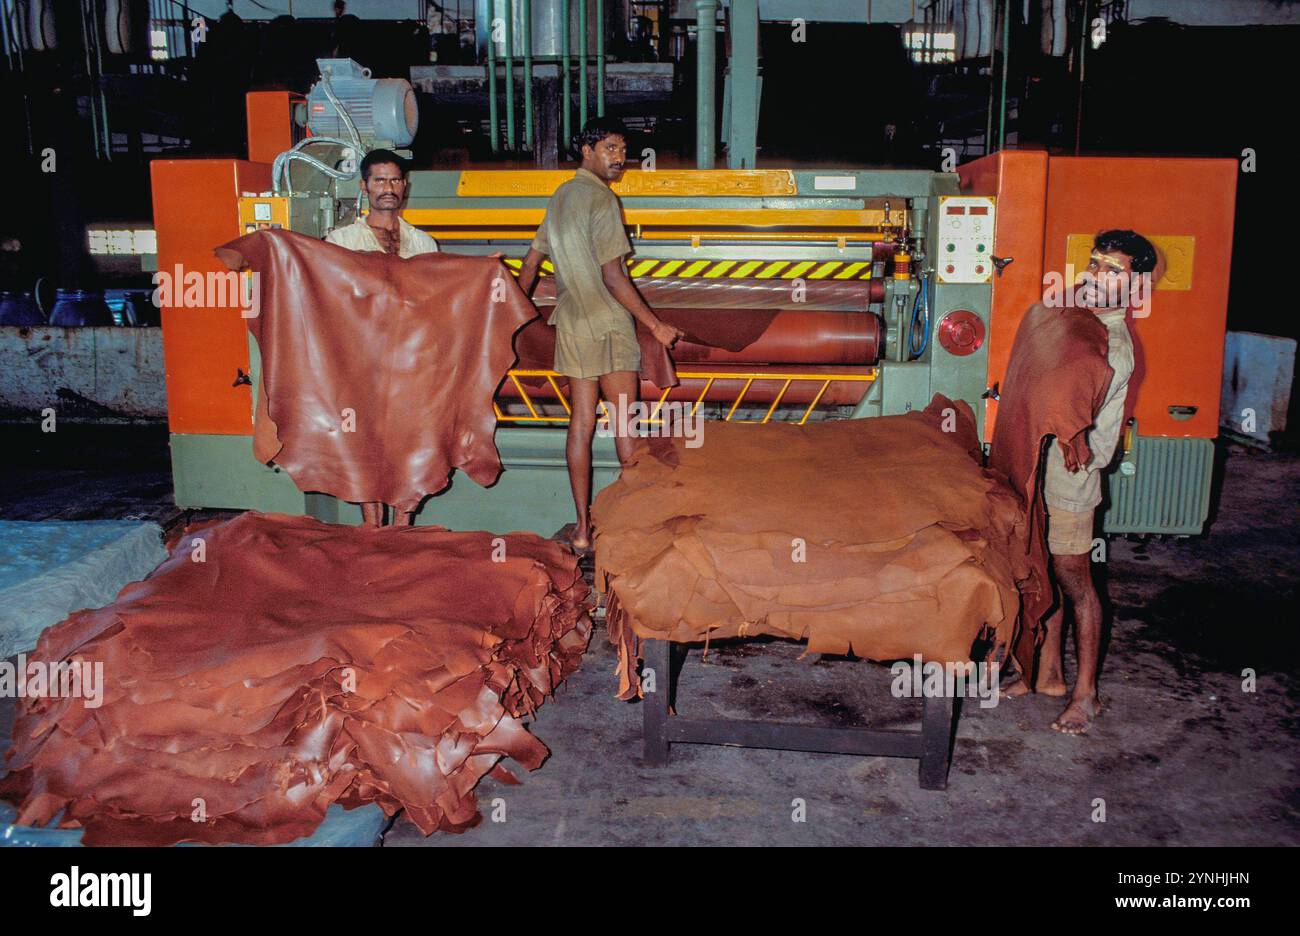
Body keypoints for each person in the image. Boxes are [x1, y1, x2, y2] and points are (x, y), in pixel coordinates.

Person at [1003, 229, 1158, 734]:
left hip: (1072, 477)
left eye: (1113, 271)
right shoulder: (1074, 320)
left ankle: (1085, 694)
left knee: (1075, 582)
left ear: (1135, 288)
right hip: (1039, 466)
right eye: (1094, 265)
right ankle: (1042, 674)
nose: (1096, 276)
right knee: (1039, 568)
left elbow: (1075, 411)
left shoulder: (1112, 344)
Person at [514, 117, 683, 550]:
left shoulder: (560, 197)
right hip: (608, 323)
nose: (619, 158)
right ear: (586, 150)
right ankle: (634, 526)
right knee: (625, 422)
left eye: (622, 150)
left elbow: (531, 264)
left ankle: (583, 531)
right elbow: (614, 276)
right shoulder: (603, 200)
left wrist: (511, 318)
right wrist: (655, 325)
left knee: (581, 423)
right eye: (610, 148)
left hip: (571, 322)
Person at [324, 148, 440, 526]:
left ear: (404, 187)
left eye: (394, 180)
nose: (387, 188)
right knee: (365, 444)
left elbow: (439, 301)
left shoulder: (424, 244)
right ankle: (372, 527)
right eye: (379, 180)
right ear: (364, 186)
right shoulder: (340, 241)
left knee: (409, 443)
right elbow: (325, 298)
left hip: (410, 361)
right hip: (361, 362)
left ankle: (403, 528)